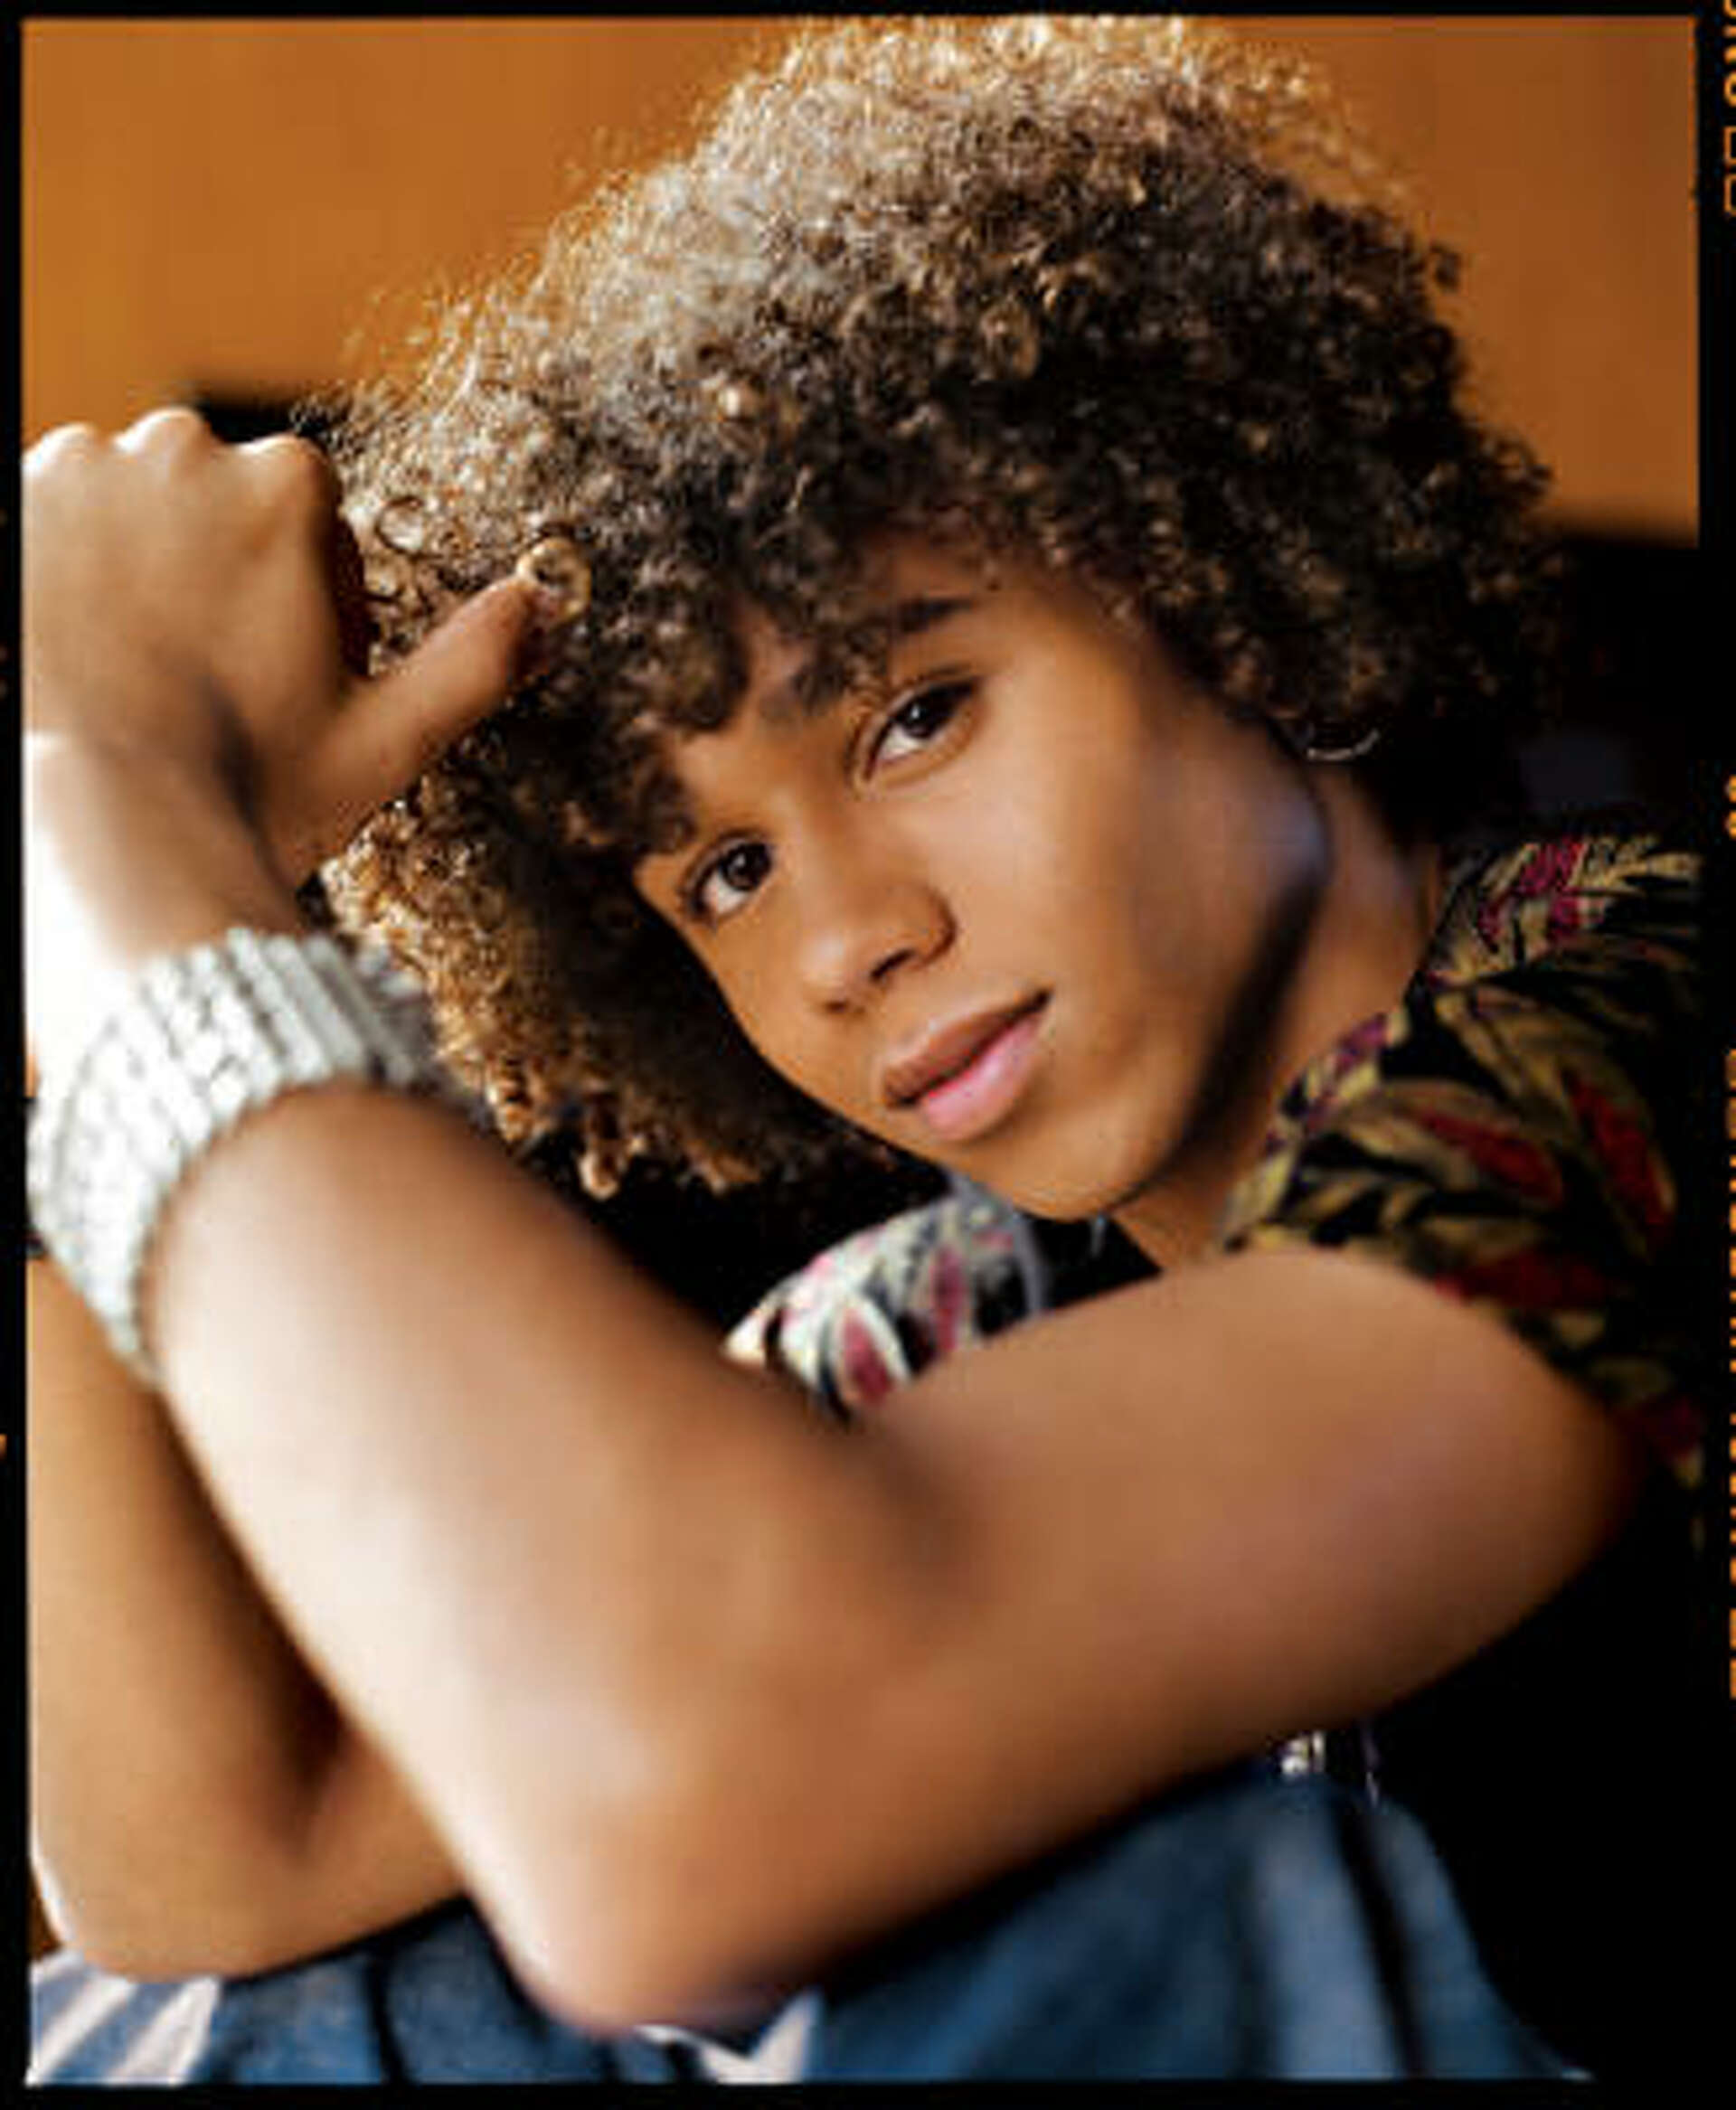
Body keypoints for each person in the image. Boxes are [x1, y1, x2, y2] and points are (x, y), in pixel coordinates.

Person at [24, 16, 1720, 2084]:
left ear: (1224, 592)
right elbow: (217, 1857)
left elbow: (691, 1815)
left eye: (917, 718)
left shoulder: (1645, 1026)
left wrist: (128, 828)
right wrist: (94, 961)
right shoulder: (945, 1326)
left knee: (1124, 1888)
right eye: (725, 871)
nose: (847, 941)